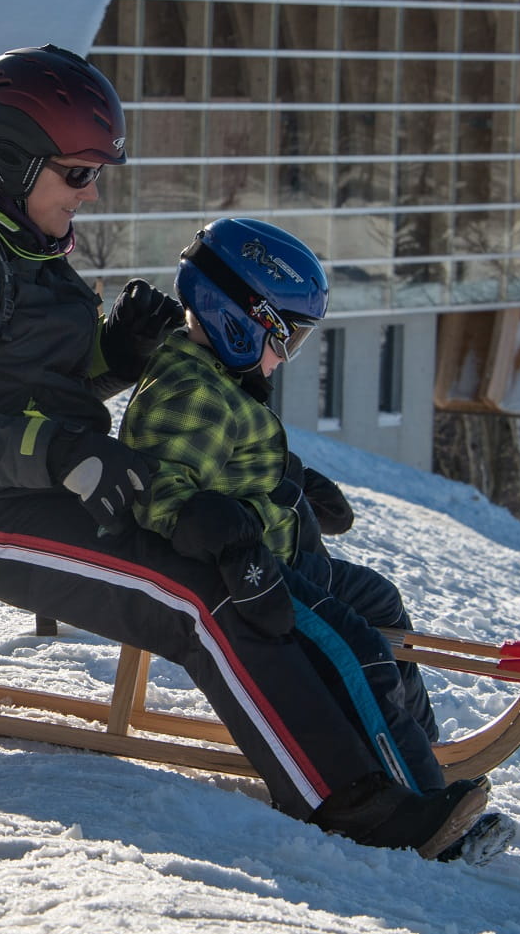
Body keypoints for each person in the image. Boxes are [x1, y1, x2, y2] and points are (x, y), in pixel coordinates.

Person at [0, 43, 487, 859]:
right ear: (12, 162)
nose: (91, 191)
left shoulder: (17, 237)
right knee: (196, 600)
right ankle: (350, 802)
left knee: (225, 566)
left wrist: (114, 354)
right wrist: (59, 451)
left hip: (16, 488)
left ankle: (377, 763)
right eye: (78, 173)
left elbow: (20, 377)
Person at [117, 219, 446, 794]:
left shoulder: (216, 377)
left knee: (379, 602)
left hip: (289, 558)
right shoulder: (192, 391)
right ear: (244, 321)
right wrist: (224, 538)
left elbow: (235, 461)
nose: (284, 358)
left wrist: (298, 484)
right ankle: (414, 788)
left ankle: (421, 745)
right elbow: (160, 487)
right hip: (257, 579)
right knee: (358, 651)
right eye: (286, 339)